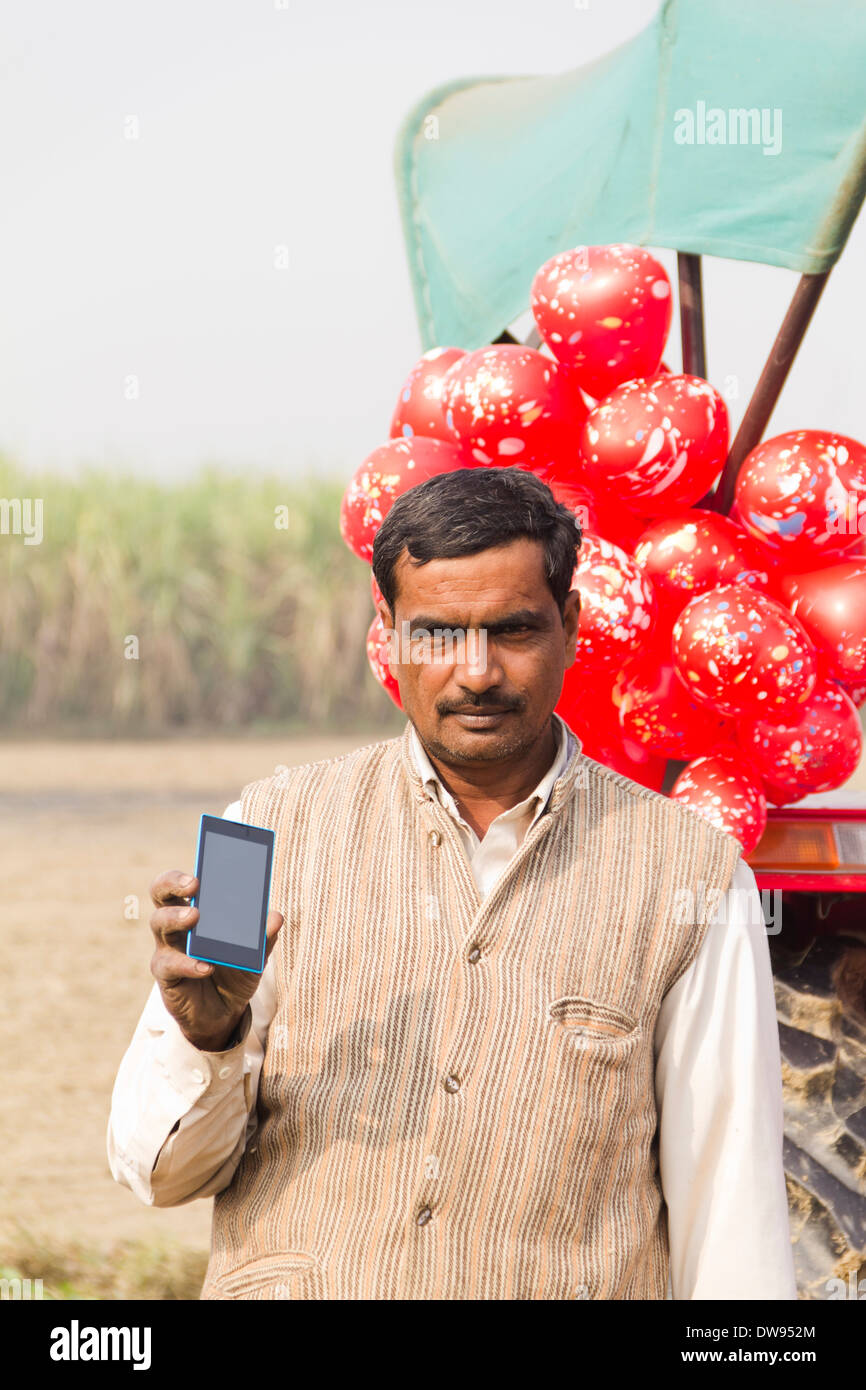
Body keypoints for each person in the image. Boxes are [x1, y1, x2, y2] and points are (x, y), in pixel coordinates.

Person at [107, 466, 797, 1300]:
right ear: (390, 634)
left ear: (571, 627)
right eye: (436, 634)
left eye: (512, 630)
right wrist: (207, 1041)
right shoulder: (266, 832)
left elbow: (731, 1217)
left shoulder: (691, 874)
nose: (476, 672)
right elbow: (159, 1174)